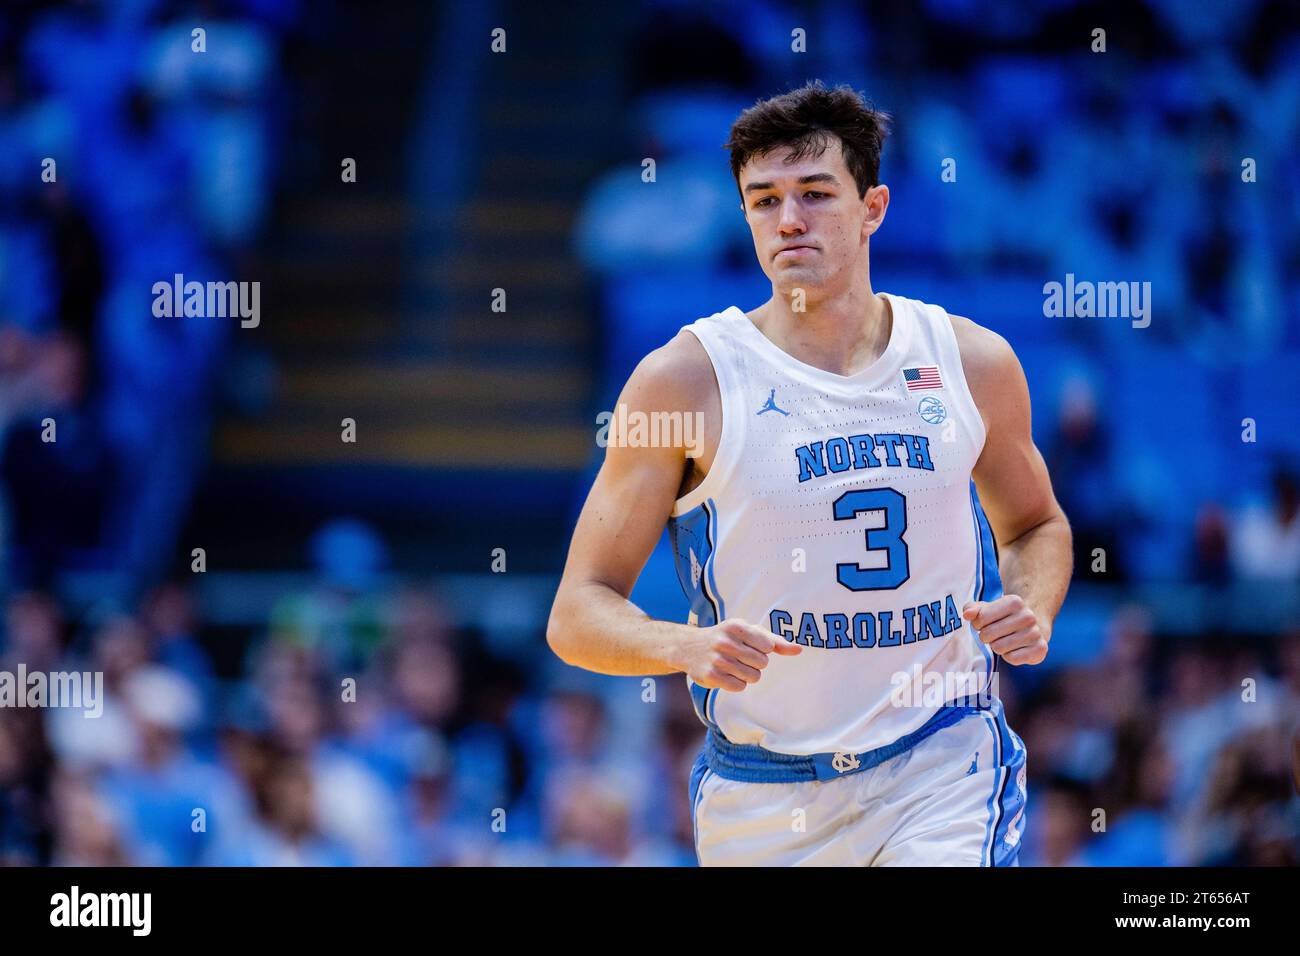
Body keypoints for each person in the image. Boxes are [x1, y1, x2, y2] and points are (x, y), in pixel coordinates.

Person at [547, 81, 1072, 866]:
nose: (788, 220)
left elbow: (1036, 524)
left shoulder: (970, 360)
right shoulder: (684, 381)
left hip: (939, 763)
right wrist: (681, 646)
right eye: (763, 200)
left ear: (874, 208)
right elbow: (576, 614)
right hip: (763, 793)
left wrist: (1032, 604)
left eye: (815, 193)